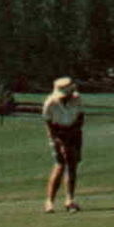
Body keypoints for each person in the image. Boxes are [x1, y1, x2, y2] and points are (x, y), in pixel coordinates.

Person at [41, 76, 85, 213]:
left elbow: (80, 118)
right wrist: (59, 141)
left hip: (74, 132)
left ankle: (69, 200)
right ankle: (49, 202)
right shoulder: (50, 103)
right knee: (60, 164)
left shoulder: (77, 99)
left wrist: (72, 135)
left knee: (72, 165)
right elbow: (48, 123)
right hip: (57, 134)